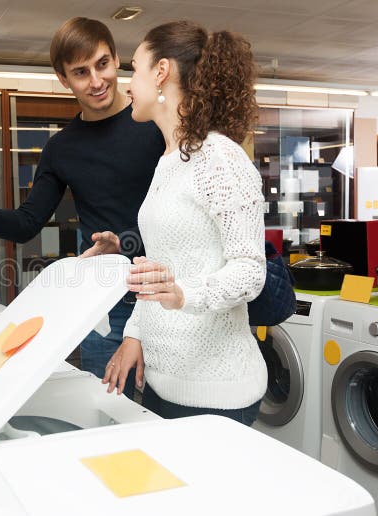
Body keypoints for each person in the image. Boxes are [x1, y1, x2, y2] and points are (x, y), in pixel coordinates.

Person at [0, 17, 165, 397]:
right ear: (63, 79)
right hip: (105, 301)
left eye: (101, 64)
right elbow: (25, 224)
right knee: (111, 412)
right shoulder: (63, 148)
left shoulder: (155, 123)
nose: (96, 81)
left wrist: (126, 243)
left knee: (168, 419)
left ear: (117, 59)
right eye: (81, 72)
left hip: (165, 290)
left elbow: (181, 215)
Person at [101, 21, 267, 425]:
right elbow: (164, 266)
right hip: (161, 384)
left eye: (134, 69)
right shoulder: (169, 161)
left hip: (216, 394)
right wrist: (134, 334)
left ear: (161, 72)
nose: (127, 84)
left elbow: (250, 271)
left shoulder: (219, 158)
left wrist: (182, 294)